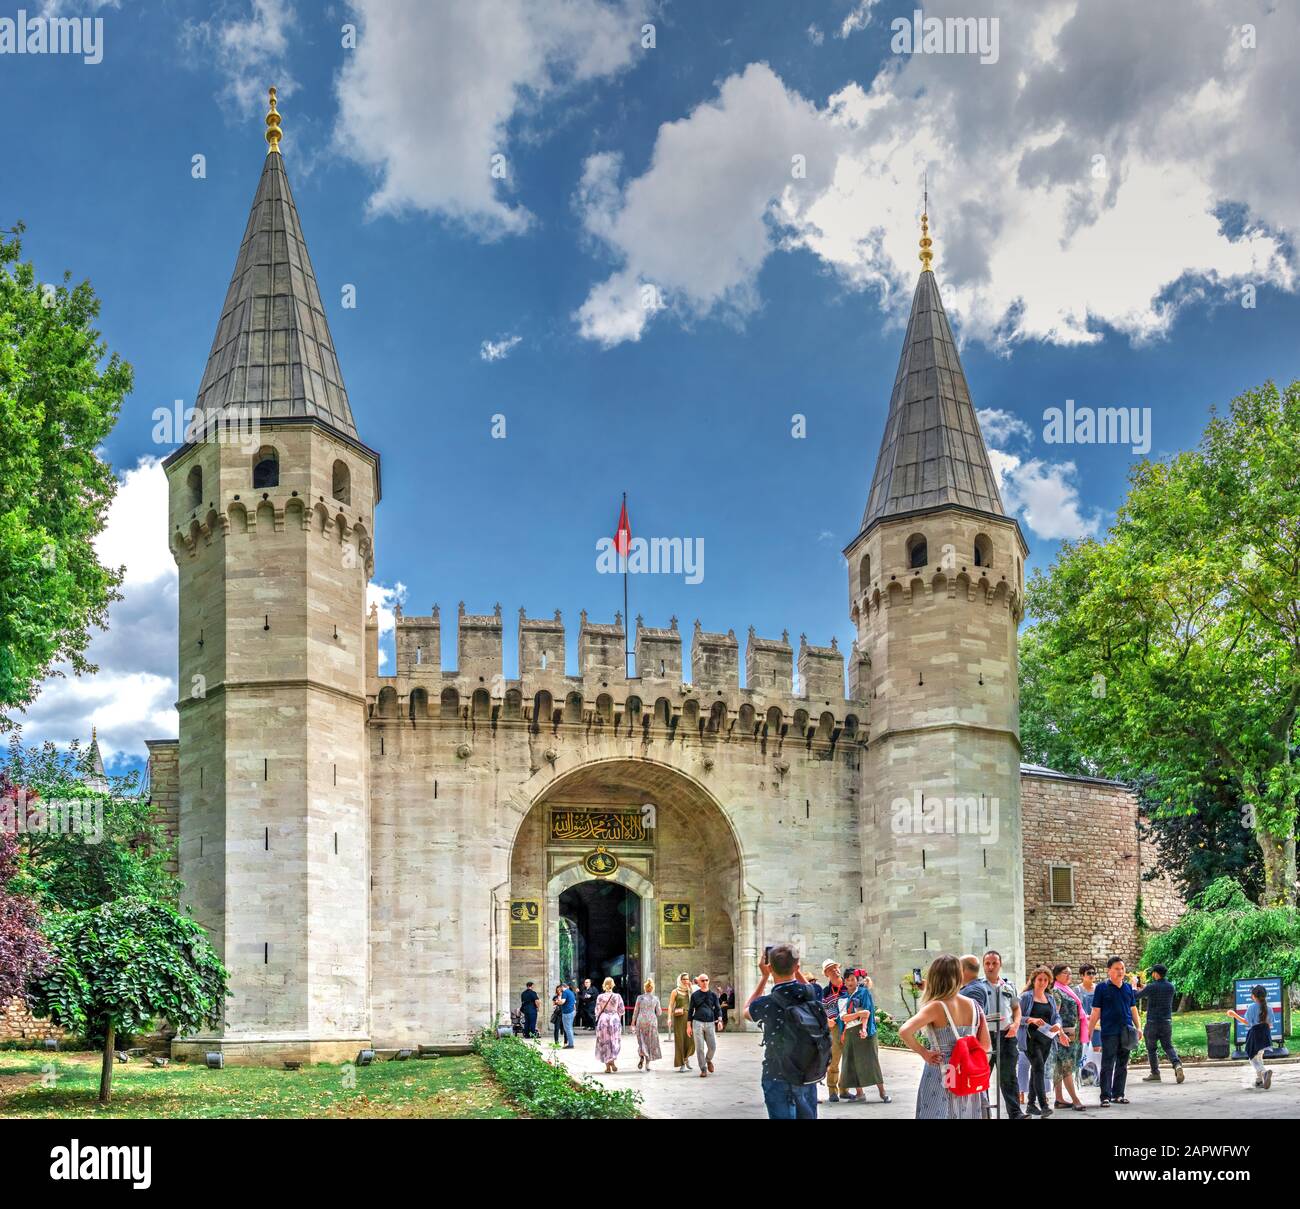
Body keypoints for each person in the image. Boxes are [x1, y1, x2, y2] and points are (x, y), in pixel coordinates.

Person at [899, 953, 991, 1120]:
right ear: (959, 975)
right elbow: (985, 1045)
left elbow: (904, 1031)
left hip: (941, 1071)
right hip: (967, 1074)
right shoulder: (974, 1006)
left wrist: (924, 1052)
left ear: (934, 977)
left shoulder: (935, 1007)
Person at [746, 942, 830, 1119]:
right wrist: (796, 969)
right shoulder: (813, 992)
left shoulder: (765, 1003)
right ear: (797, 966)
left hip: (777, 1072)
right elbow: (809, 991)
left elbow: (746, 1010)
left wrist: (763, 977)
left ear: (770, 967)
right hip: (807, 1071)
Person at [974, 949, 1024, 1119]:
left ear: (1000, 964)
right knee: (982, 1076)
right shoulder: (978, 986)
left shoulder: (1009, 986)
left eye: (994, 963)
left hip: (1006, 1036)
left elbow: (1016, 1009)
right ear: (983, 965)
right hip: (985, 1037)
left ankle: (1015, 1113)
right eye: (987, 963)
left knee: (1009, 1077)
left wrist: (1016, 1024)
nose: (990, 966)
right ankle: (984, 1113)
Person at [1088, 956, 1141, 1106]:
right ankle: (1105, 1096)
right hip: (1109, 1032)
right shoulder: (1102, 988)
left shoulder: (1127, 988)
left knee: (1122, 1064)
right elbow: (1096, 1011)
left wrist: (1138, 1027)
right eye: (1117, 969)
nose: (1120, 971)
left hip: (1127, 1031)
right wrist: (1090, 1030)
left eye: (1122, 968)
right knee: (1107, 1064)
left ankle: (1118, 1094)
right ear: (1109, 971)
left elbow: (1133, 1009)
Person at [837, 969, 891, 1104]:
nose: (850, 982)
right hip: (849, 1032)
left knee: (872, 1061)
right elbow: (844, 1018)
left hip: (865, 1032)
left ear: (857, 980)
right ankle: (860, 1093)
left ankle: (882, 1092)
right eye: (847, 980)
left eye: (852, 979)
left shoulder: (864, 992)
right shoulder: (842, 998)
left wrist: (864, 1028)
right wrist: (857, 1014)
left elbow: (867, 1012)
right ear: (844, 981)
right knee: (852, 1063)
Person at [1018, 965, 1064, 1117]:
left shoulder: (1050, 998)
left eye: (1045, 980)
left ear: (1049, 982)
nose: (1043, 982)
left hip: (1046, 1039)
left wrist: (1058, 1025)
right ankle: (1044, 1105)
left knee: (1037, 1070)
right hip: (1030, 1039)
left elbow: (1056, 1016)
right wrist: (1030, 1019)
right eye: (1040, 979)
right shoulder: (1026, 997)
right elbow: (1016, 1017)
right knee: (1039, 1068)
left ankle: (1031, 1104)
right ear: (1034, 980)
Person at [1137, 963, 1184, 1084]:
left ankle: (1155, 1073)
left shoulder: (1151, 987)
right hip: (1166, 1022)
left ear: (1156, 974)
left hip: (1152, 1022)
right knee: (1168, 1046)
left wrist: (1134, 986)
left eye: (1153, 972)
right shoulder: (1170, 987)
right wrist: (1145, 987)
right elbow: (1156, 991)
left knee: (1151, 1049)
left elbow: (1136, 996)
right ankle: (1177, 1064)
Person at [1049, 964, 1086, 1111]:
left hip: (1071, 1033)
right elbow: (1055, 1014)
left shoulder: (1067, 990)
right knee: (1067, 1067)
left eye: (1070, 973)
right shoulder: (1057, 991)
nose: (1069, 976)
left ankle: (1059, 1099)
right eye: (1065, 973)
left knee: (1060, 1067)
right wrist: (1060, 1033)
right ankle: (1075, 1099)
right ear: (1056, 975)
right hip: (1064, 1034)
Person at [1228, 985, 1274, 1090]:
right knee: (1259, 1057)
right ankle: (1259, 1081)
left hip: (1255, 1034)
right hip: (1266, 1035)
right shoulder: (1269, 1008)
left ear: (1253, 996)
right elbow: (1270, 1025)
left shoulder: (1252, 1007)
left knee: (1252, 1058)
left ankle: (1264, 1073)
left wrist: (1234, 1014)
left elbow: (1246, 1022)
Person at [819, 960, 849, 1102]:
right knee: (835, 1058)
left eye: (836, 967)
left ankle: (845, 1090)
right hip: (835, 1026)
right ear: (826, 974)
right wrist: (827, 1020)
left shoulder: (849, 984)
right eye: (830, 969)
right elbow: (821, 1009)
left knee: (849, 1059)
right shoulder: (826, 991)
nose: (835, 970)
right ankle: (832, 1090)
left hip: (850, 1024)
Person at [687, 973, 721, 1078]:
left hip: (710, 1023)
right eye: (702, 981)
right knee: (700, 1048)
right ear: (698, 982)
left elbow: (718, 1008)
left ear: (708, 981)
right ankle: (703, 1068)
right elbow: (690, 1011)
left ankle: (708, 1060)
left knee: (713, 1047)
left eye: (706, 980)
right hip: (697, 1023)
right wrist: (688, 1026)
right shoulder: (695, 995)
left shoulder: (713, 995)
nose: (705, 982)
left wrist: (719, 1020)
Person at [1077, 963, 1101, 1085]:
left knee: (1097, 1049)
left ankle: (1097, 1077)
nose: (1091, 975)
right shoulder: (1077, 990)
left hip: (1097, 1024)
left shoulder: (1098, 989)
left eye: (1093, 973)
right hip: (1083, 1024)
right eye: (1088, 973)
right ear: (1082, 975)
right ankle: (1084, 1077)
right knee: (1084, 1050)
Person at [594, 976, 625, 1072]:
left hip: (603, 1020)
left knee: (604, 1042)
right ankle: (612, 1061)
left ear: (604, 985)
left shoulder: (600, 997)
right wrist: (616, 1015)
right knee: (613, 1041)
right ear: (613, 985)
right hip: (614, 1020)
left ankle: (607, 1067)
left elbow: (597, 1010)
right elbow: (622, 1010)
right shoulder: (617, 996)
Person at [632, 978, 663, 1070]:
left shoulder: (640, 998)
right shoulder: (655, 998)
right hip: (651, 1021)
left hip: (641, 1020)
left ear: (645, 988)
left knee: (641, 1040)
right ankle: (648, 1063)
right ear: (652, 988)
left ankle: (642, 1055)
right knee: (650, 1041)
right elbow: (659, 1013)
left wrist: (633, 1021)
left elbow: (636, 1011)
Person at [669, 972, 695, 1071]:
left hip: (689, 1018)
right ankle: (682, 1063)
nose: (685, 981)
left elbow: (694, 1001)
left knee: (690, 1040)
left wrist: (691, 988)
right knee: (680, 1040)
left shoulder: (689, 991)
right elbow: (671, 1005)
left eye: (687, 979)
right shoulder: (675, 991)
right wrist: (669, 1018)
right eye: (683, 979)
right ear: (680, 980)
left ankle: (686, 1058)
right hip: (679, 1018)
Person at [557, 981, 577, 1048]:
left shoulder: (565, 992)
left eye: (560, 988)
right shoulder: (571, 992)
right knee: (570, 1028)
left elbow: (562, 1002)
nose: (560, 990)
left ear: (562, 987)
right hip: (571, 1011)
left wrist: (557, 1002)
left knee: (567, 1028)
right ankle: (571, 1043)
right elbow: (574, 1002)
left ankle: (571, 1044)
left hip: (567, 1012)